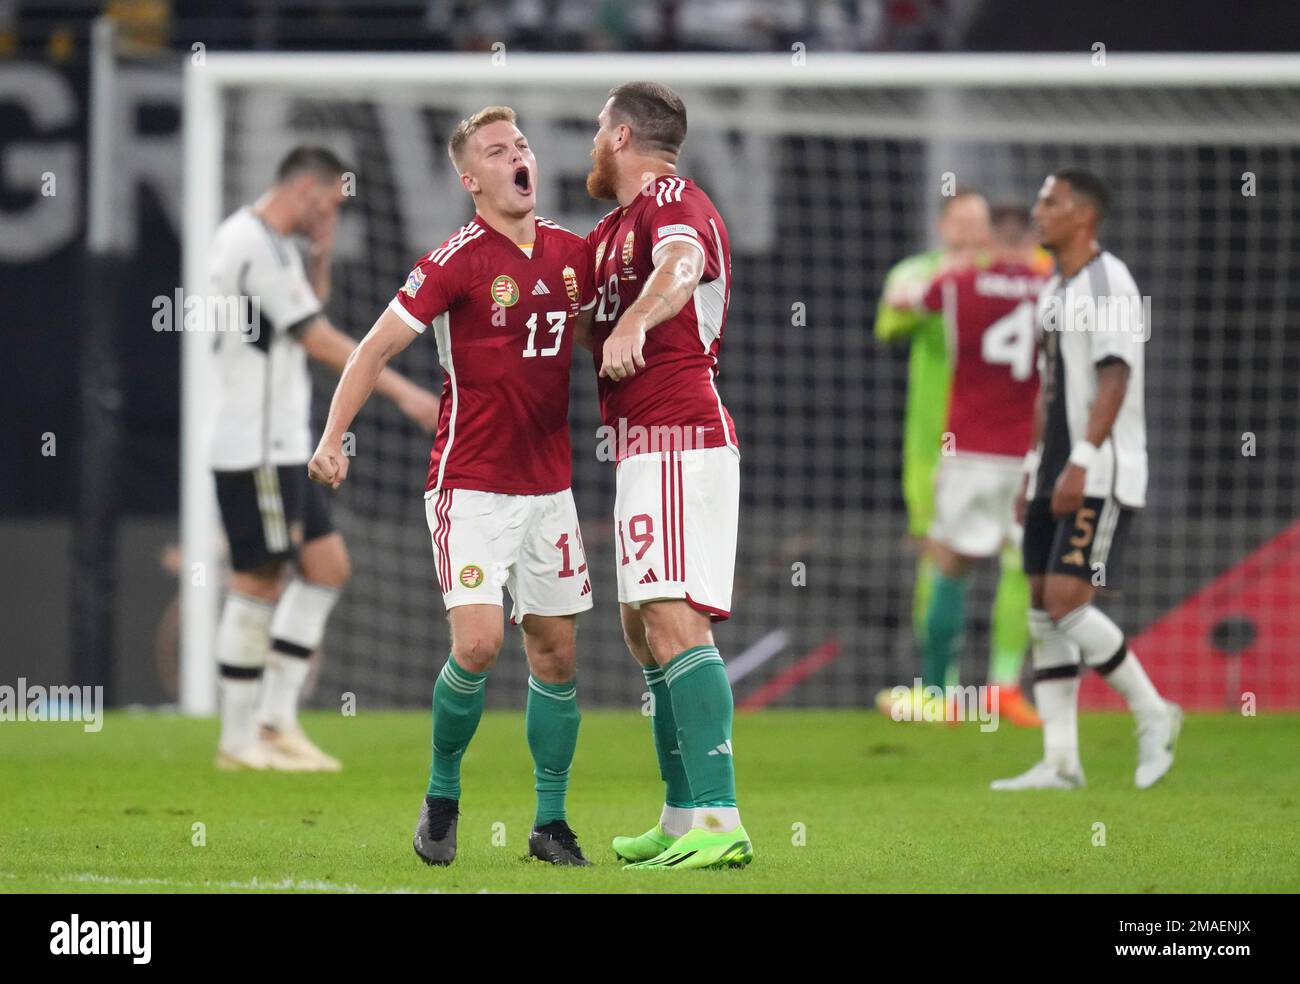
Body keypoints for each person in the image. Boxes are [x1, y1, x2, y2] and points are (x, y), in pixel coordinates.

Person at [307, 108, 597, 864]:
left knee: (557, 654)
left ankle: (551, 823)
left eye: (523, 145)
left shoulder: (574, 254)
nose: (518, 157)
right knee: (477, 644)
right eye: (498, 152)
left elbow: (603, 335)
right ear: (471, 180)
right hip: (468, 485)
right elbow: (372, 349)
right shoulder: (454, 262)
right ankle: (441, 797)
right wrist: (334, 435)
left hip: (550, 488)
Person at [207, 146, 439, 772]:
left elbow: (309, 305)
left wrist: (324, 246)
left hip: (282, 442)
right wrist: (405, 391)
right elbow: (315, 336)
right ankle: (237, 738)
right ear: (306, 187)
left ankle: (277, 723)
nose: (333, 209)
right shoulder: (247, 240)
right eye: (331, 200)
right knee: (258, 578)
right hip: (252, 445)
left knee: (328, 568)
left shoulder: (278, 242)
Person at [578, 81, 751, 870]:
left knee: (674, 617)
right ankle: (682, 818)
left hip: (681, 435)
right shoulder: (611, 230)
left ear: (619, 136)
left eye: (594, 130)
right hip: (640, 445)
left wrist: (637, 320)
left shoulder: (674, 200)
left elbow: (683, 264)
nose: (589, 143)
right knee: (643, 629)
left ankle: (722, 819)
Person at [993, 168, 1181, 790]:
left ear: (1083, 215)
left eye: (1049, 203)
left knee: (1068, 604)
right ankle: (1061, 761)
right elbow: (1050, 393)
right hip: (1054, 469)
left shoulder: (1110, 281)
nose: (1038, 213)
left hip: (1099, 471)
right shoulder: (1058, 285)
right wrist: (1033, 469)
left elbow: (1116, 377)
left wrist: (1081, 461)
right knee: (1044, 616)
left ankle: (1155, 713)